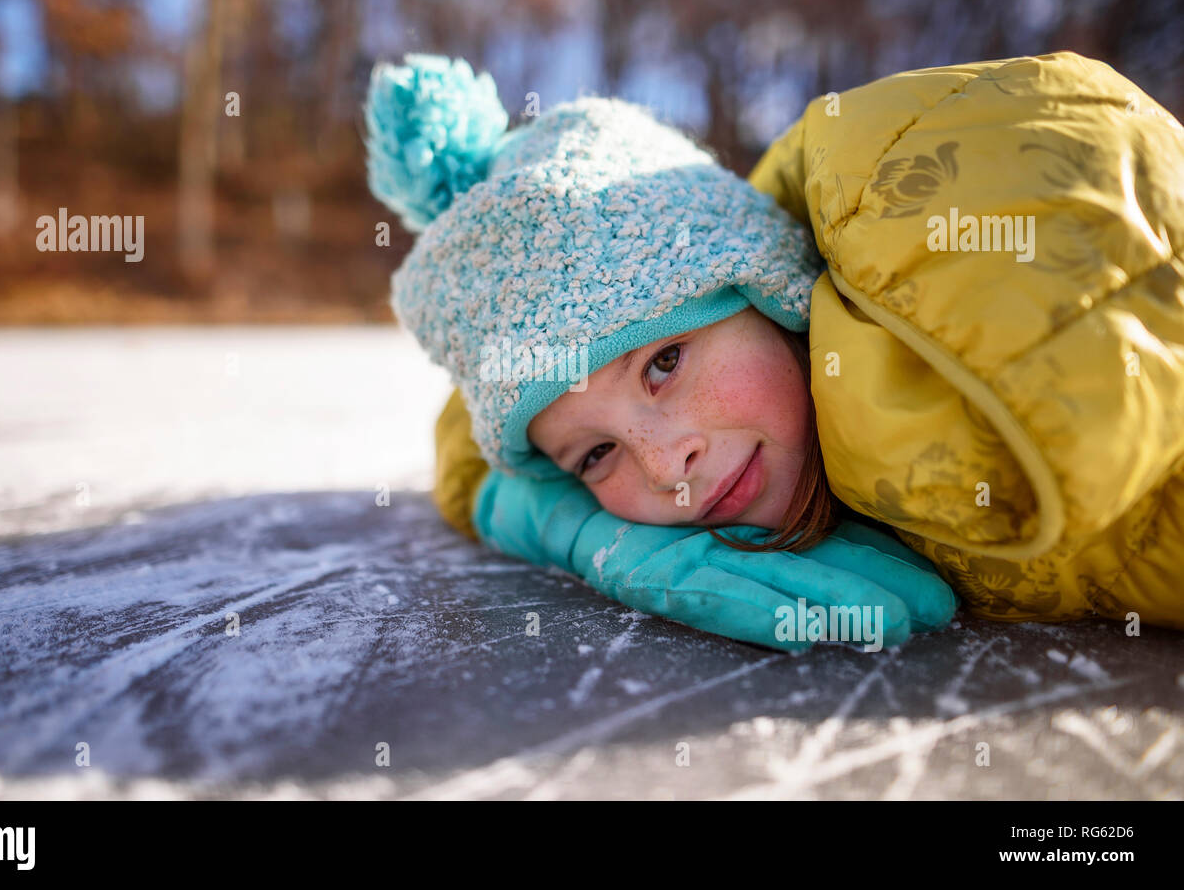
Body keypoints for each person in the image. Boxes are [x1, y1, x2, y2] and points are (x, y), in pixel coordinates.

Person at [363, 50, 1184, 653]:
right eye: (596, 455)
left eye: (662, 363)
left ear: (764, 287)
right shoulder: (718, 350)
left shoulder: (907, 220)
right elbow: (480, 443)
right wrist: (569, 527)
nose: (666, 467)